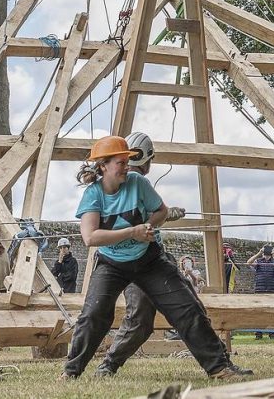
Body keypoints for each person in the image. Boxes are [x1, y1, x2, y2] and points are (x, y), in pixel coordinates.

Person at [61, 135, 248, 380]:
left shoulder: (137, 182)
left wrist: (149, 226)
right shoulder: (93, 195)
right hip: (112, 264)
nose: (127, 167)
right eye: (121, 162)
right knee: (94, 314)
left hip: (149, 260)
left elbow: (160, 211)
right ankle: (71, 372)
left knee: (187, 308)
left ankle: (218, 368)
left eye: (127, 162)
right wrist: (133, 232)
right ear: (103, 165)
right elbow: (90, 237)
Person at [94, 132, 192, 377]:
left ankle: (109, 365)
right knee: (149, 317)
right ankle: (108, 365)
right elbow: (138, 217)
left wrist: (166, 213)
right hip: (141, 259)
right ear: (148, 159)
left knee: (168, 313)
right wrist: (170, 213)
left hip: (146, 256)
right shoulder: (135, 180)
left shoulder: (125, 180)